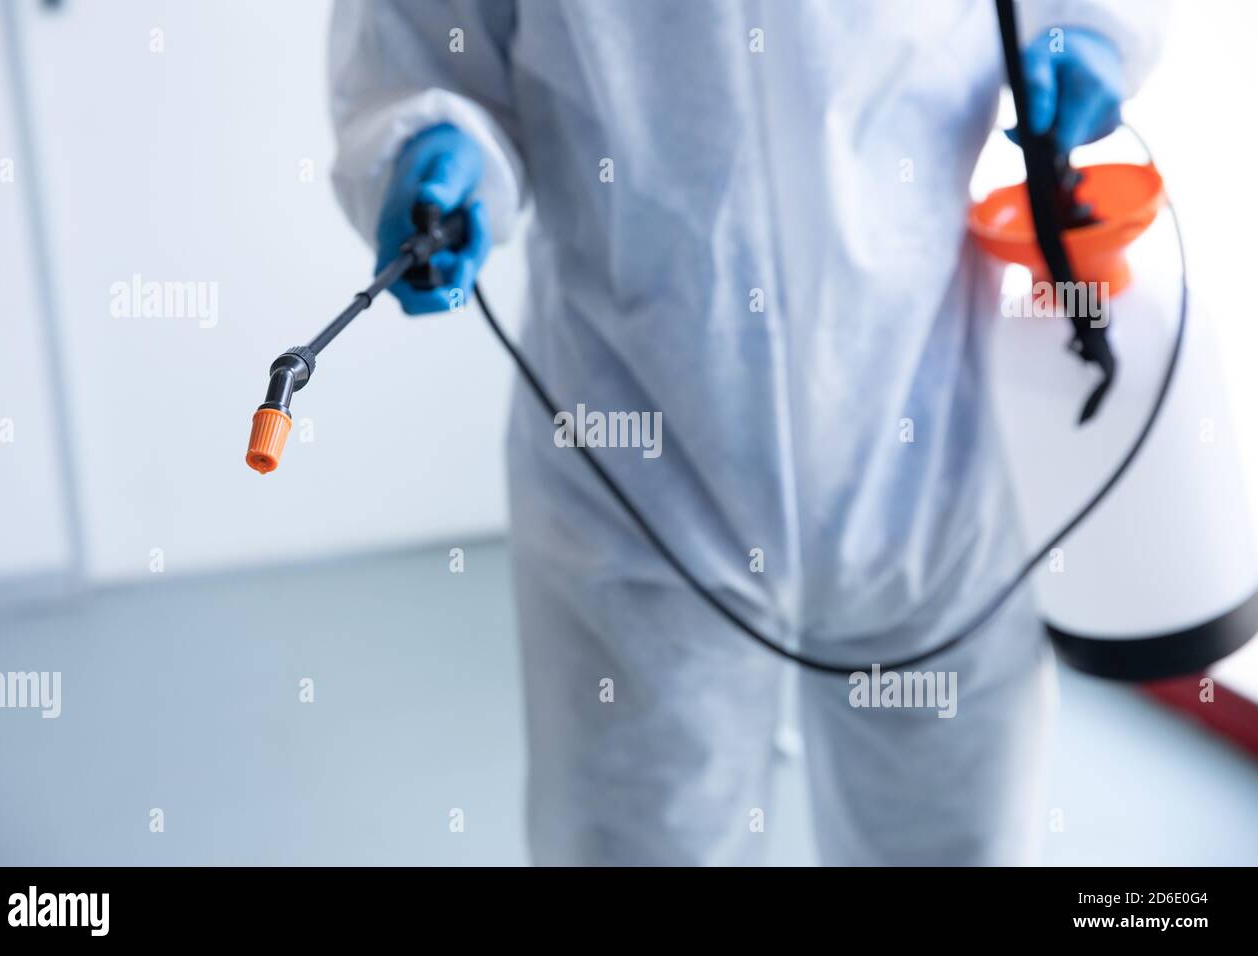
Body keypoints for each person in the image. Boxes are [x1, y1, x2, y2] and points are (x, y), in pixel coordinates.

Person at [328, 0, 1165, 865]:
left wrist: (1090, 33)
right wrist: (432, 145)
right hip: (638, 465)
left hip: (929, 437)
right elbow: (423, 51)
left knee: (955, 843)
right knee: (640, 841)